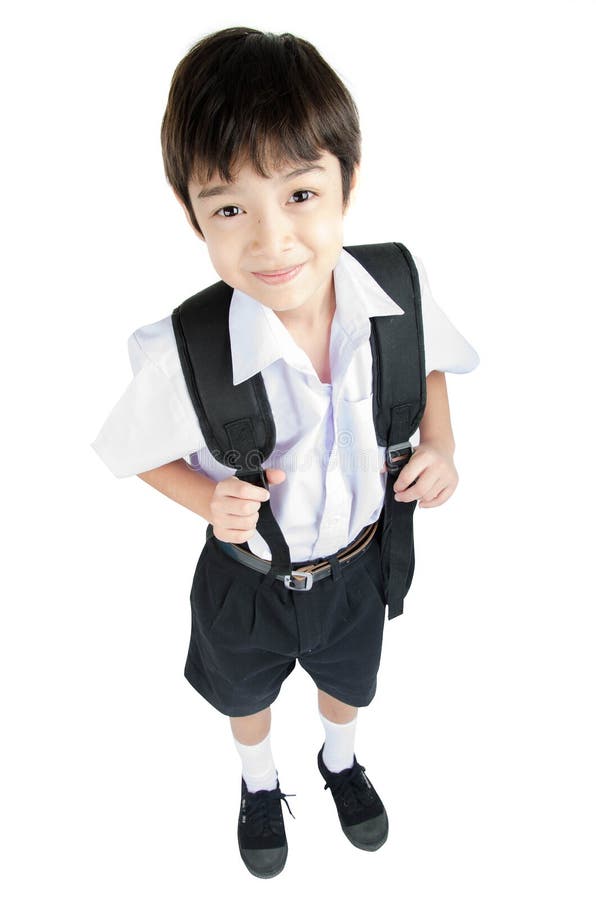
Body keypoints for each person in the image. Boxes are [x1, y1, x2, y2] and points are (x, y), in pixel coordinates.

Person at [91, 26, 480, 879]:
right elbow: (131, 452)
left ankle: (339, 762)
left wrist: (440, 443)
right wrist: (204, 500)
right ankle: (259, 783)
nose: (271, 242)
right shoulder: (186, 349)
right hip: (248, 583)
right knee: (247, 696)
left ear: (348, 181)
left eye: (301, 193)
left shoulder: (395, 300)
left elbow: (433, 368)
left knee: (349, 680)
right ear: (192, 213)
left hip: (356, 566)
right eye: (230, 208)